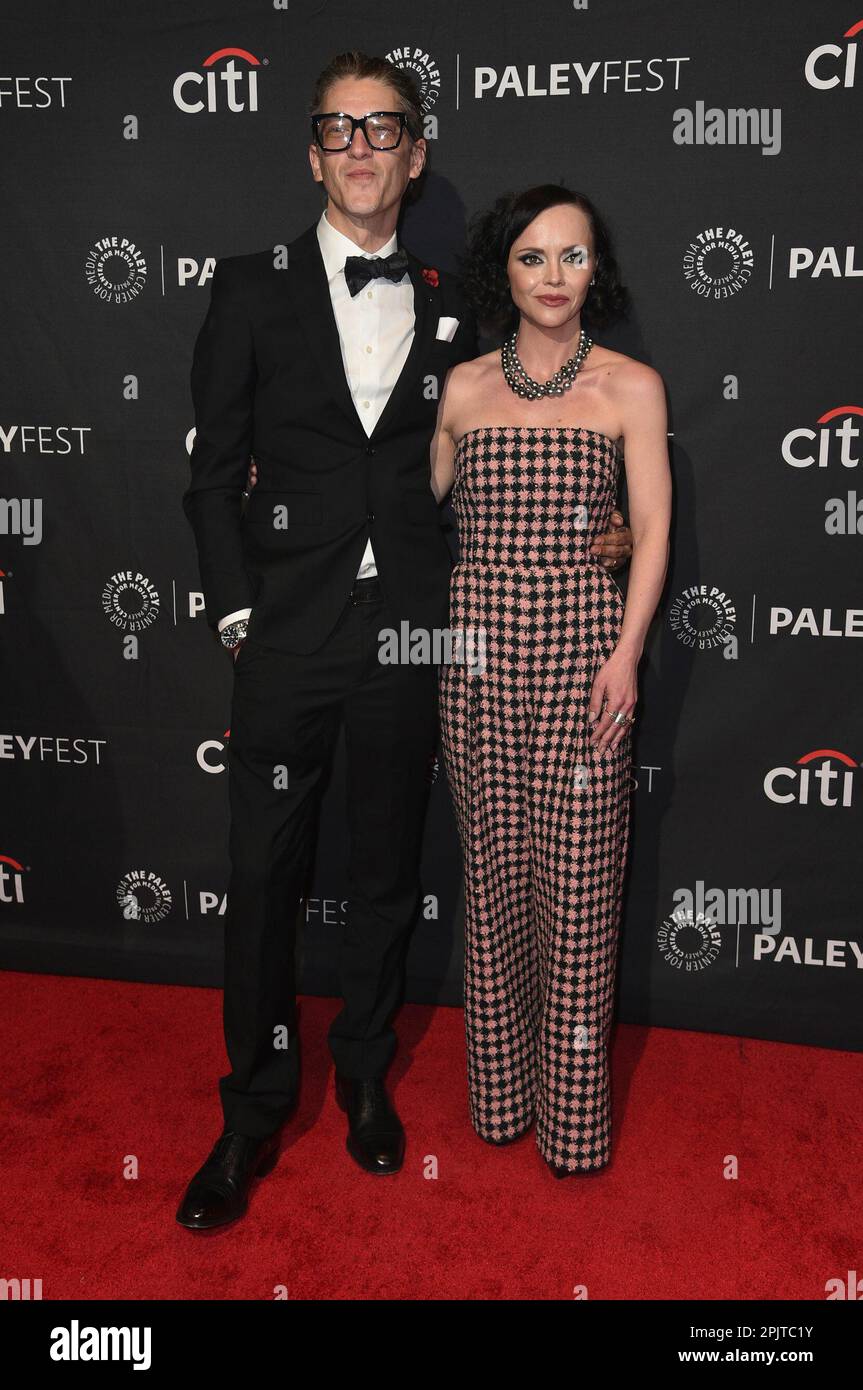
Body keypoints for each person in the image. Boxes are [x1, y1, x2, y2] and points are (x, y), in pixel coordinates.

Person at [178, 52, 633, 1230]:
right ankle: (250, 1110)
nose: (362, 148)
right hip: (283, 639)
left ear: (414, 153)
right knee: (260, 880)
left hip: (411, 642)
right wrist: (237, 614)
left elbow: (505, 450)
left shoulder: (451, 309)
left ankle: (367, 1081)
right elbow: (211, 476)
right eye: (339, 130)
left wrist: (607, 529)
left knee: (384, 877)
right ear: (314, 153)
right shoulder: (248, 288)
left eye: (384, 129)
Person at [431, 185, 671, 1175]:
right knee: (488, 878)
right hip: (474, 649)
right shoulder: (459, 388)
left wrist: (625, 651)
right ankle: (499, 1097)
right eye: (532, 257)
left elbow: (650, 532)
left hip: (582, 642)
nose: (552, 277)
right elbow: (407, 513)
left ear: (593, 268)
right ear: (506, 269)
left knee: (576, 886)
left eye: (571, 257)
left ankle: (571, 1122)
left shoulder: (629, 386)